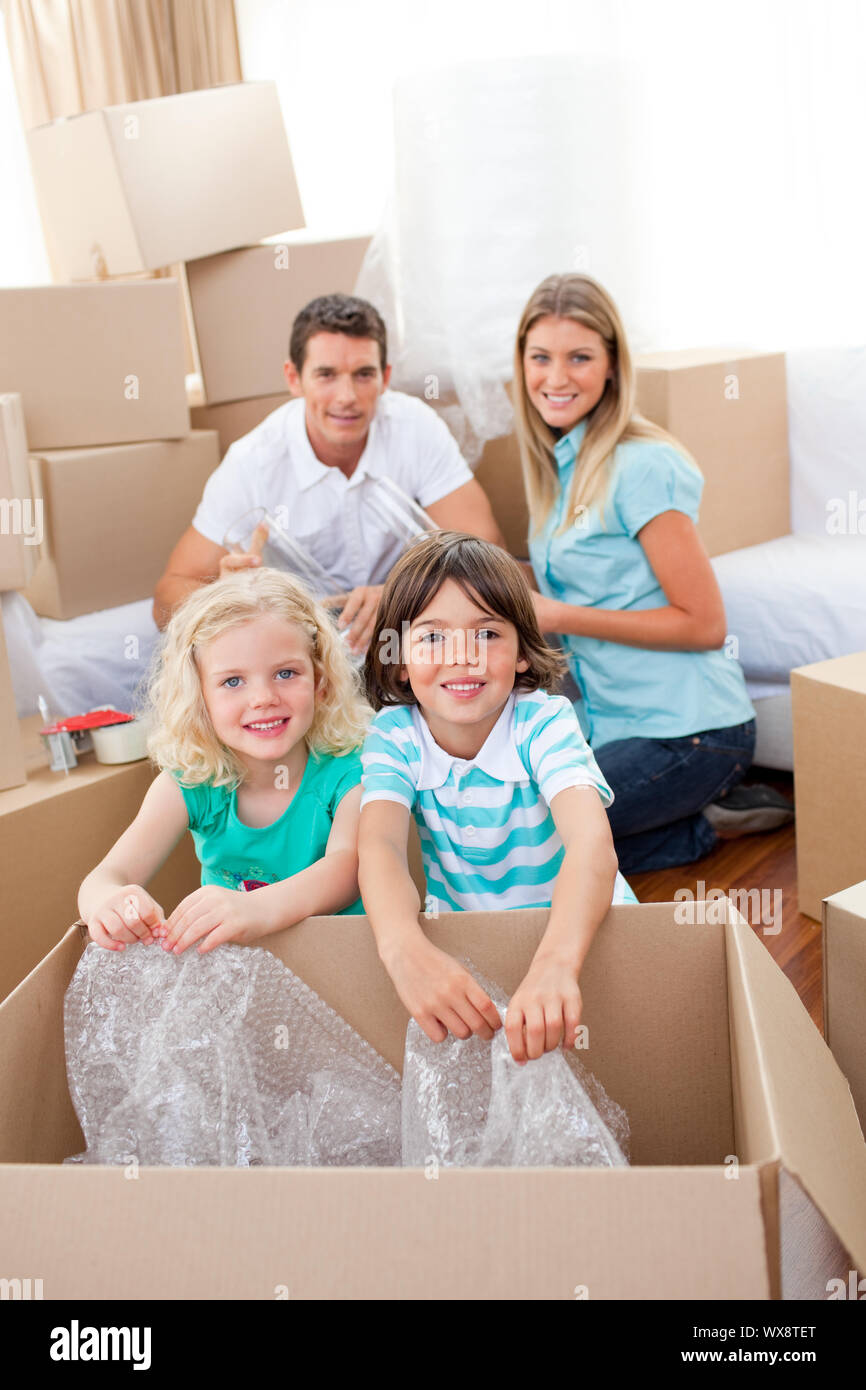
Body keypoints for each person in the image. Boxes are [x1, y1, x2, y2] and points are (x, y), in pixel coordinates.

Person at [511, 273, 793, 875]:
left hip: (693, 732)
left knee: (548, 846)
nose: (556, 378)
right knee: (508, 830)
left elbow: (705, 624)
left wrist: (556, 615)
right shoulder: (558, 465)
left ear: (612, 365)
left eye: (579, 358)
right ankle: (686, 812)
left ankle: (696, 825)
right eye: (541, 357)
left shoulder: (642, 465)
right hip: (612, 722)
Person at [358, 531, 636, 1066]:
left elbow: (590, 842)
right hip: (473, 940)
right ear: (397, 662)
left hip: (580, 932)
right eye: (433, 638)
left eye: (486, 634)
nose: (462, 659)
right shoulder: (394, 735)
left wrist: (556, 963)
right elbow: (381, 848)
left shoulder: (545, 722)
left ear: (523, 656)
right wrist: (403, 947)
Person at [153, 294, 505, 653]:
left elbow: (488, 558)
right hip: (303, 649)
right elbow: (167, 598)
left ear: (385, 378)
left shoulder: (414, 428)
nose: (346, 396)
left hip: (408, 632)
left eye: (363, 374)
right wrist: (222, 598)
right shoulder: (253, 462)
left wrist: (406, 594)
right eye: (326, 375)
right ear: (294, 378)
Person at [79, 568, 370, 954]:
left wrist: (254, 908)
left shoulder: (349, 771)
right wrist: (110, 904)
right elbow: (105, 877)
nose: (263, 697)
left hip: (343, 966)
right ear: (199, 697)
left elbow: (348, 869)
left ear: (319, 681)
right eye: (233, 681)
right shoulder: (189, 783)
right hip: (238, 981)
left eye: (286, 673)